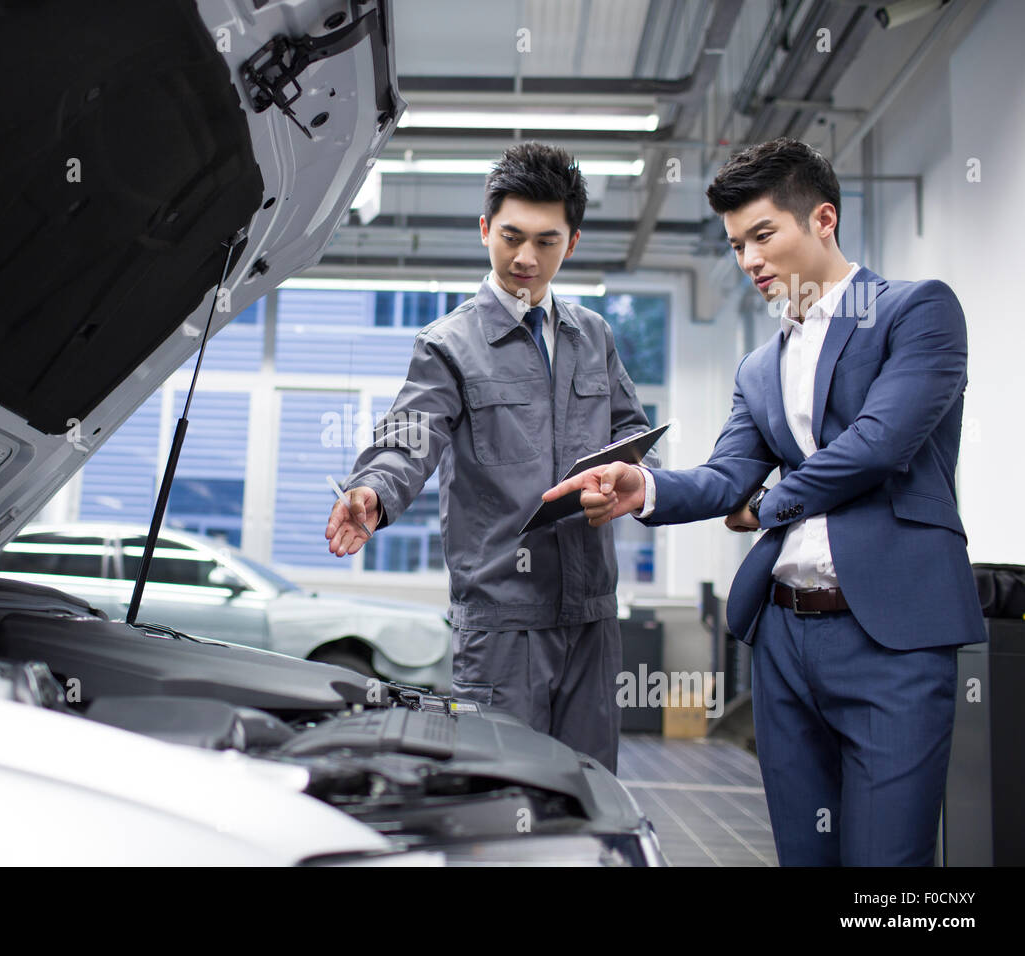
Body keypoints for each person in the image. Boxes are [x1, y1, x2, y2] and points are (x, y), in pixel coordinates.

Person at [544, 137, 984, 865]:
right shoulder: (759, 366)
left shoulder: (916, 312)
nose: (748, 260)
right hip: (785, 639)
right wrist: (643, 486)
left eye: (763, 235)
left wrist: (773, 505)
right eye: (736, 244)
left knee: (886, 867)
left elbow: (878, 443)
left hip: (892, 638)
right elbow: (726, 476)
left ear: (823, 219)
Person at [323, 142, 658, 773]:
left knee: (588, 795)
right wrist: (373, 488)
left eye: (547, 241)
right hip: (502, 623)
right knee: (502, 798)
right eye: (511, 237)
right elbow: (410, 435)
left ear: (572, 242)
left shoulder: (594, 337)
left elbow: (632, 431)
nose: (526, 258)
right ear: (484, 230)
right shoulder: (449, 345)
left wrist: (632, 478)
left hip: (591, 615)